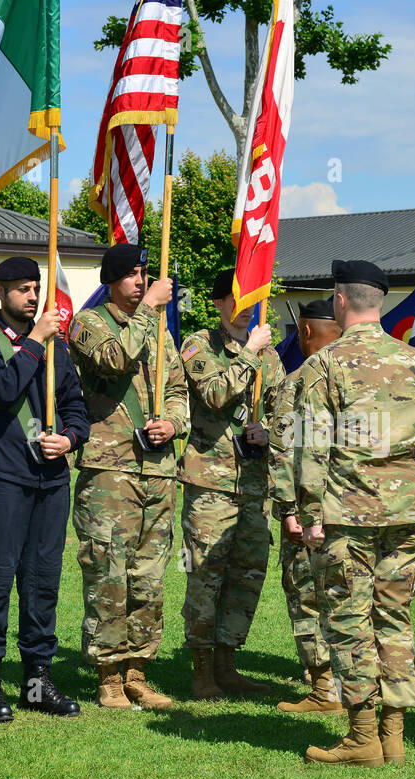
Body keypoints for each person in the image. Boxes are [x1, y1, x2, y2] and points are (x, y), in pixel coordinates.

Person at [296, 261, 415, 767]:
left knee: (348, 622)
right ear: (377, 303)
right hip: (406, 516)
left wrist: (310, 513)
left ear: (340, 300)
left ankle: (363, 736)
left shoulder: (325, 365)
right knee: (395, 620)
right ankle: (394, 734)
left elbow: (311, 448)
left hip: (347, 518)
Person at [0, 256, 90, 723]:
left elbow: (77, 408)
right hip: (0, 478)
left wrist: (69, 438)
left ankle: (37, 680)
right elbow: (1, 388)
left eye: (36, 288)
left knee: (42, 584)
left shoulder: (57, 350)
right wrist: (36, 341)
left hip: (50, 480)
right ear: (0, 293)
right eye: (22, 289)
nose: (33, 297)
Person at [68, 243, 185, 710]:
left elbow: (176, 387)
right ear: (112, 280)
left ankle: (138, 670)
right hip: (109, 468)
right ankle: (108, 675)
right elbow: (115, 360)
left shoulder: (159, 331)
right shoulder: (88, 323)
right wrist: (151, 308)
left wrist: (174, 422)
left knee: (148, 577)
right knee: (108, 573)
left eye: (145, 274)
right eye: (132, 275)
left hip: (157, 468)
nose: (141, 282)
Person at [178, 267, 284, 699]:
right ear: (219, 304)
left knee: (247, 574)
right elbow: (216, 395)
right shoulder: (198, 345)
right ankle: (201, 668)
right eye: (233, 301)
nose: (242, 311)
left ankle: (228, 661)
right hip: (211, 482)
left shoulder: (271, 357)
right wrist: (249, 353)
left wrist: (270, 431)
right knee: (206, 573)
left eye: (248, 301)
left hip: (256, 484)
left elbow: (285, 412)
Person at [270, 299, 343, 714]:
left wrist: (289, 511)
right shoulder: (361, 375)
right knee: (350, 597)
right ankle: (357, 686)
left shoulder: (300, 380)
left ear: (307, 331)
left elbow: (282, 452)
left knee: (305, 597)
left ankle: (322, 687)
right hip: (360, 511)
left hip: (309, 510)